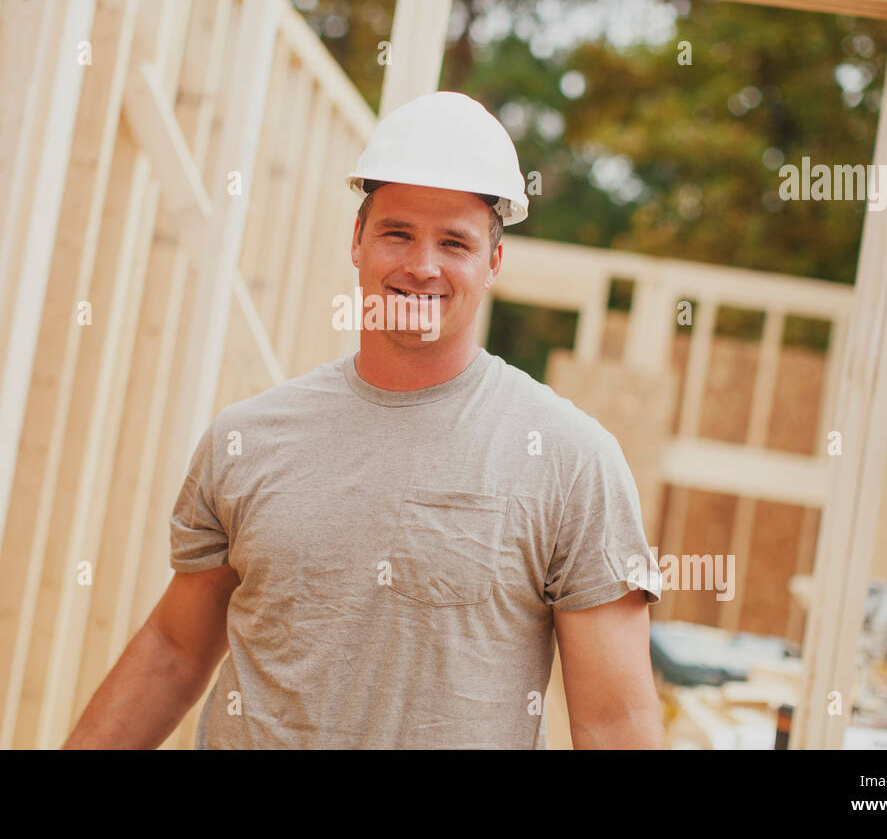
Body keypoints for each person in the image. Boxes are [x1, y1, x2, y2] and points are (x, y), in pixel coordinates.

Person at [65, 91, 664, 749]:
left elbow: (614, 723)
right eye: (397, 232)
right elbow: (174, 653)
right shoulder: (249, 439)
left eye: (454, 243)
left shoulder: (568, 461)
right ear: (357, 240)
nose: (422, 266)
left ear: (493, 262)